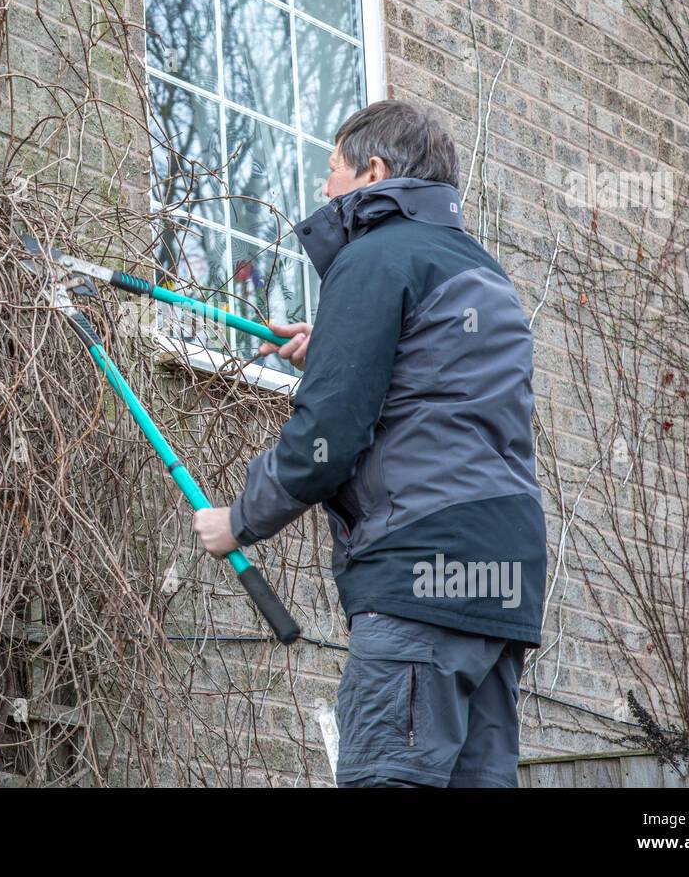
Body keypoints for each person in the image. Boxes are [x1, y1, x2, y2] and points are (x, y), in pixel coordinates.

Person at [193, 99, 546, 788]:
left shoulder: (374, 258)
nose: (324, 191)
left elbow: (328, 437)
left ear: (373, 171)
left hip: (419, 576)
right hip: (503, 584)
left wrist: (239, 520)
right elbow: (434, 388)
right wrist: (337, 346)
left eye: (332, 172)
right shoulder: (485, 276)